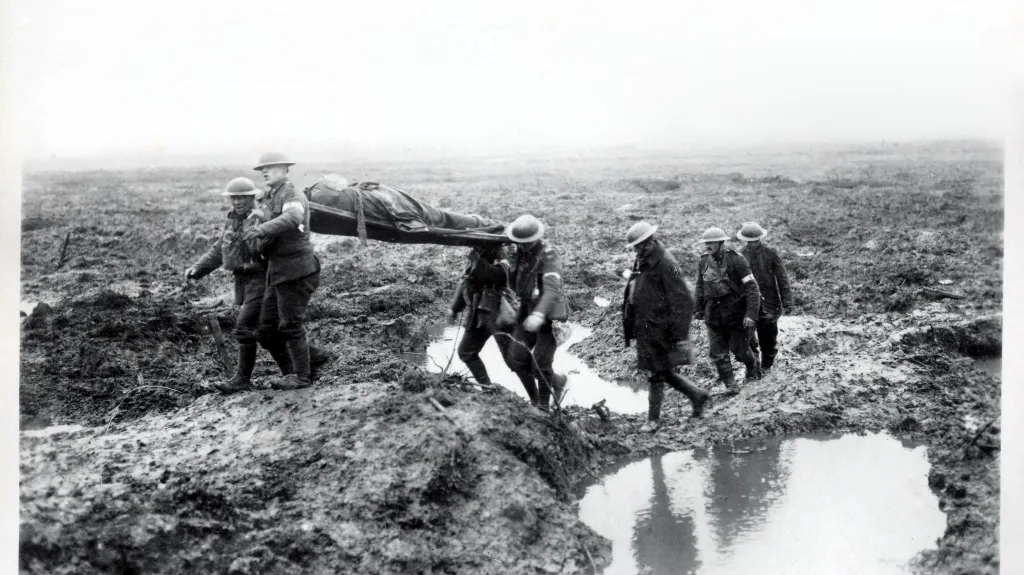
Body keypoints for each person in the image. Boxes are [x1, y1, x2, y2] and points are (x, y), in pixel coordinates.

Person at [186, 177, 331, 393]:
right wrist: (200, 267)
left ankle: (244, 379)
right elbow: (221, 247)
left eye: (242, 198)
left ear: (252, 197)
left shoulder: (261, 217)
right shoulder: (234, 220)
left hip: (265, 280)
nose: (237, 202)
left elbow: (271, 240)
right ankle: (304, 363)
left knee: (246, 328)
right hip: (249, 282)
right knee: (266, 332)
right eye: (233, 198)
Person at [240, 152, 322, 390]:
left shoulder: (290, 193)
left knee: (290, 326)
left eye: (271, 168)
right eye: (262, 169)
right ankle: (302, 366)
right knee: (266, 331)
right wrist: (264, 218)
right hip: (279, 273)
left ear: (285, 170)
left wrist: (262, 228)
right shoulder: (274, 196)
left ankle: (303, 376)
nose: (265, 172)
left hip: (296, 271)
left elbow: (294, 215)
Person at [622, 222, 710, 432]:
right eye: (634, 247)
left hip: (662, 328)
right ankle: (698, 395)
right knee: (661, 371)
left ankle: (653, 420)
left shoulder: (666, 263)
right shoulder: (643, 259)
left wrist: (679, 335)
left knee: (656, 373)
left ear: (649, 243)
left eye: (638, 246)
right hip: (647, 325)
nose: (636, 250)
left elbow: (684, 300)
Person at [474, 214, 568, 409]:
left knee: (540, 365)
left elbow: (552, 289)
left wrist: (539, 314)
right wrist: (509, 260)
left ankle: (543, 407)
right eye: (520, 243)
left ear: (536, 238)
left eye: (526, 243)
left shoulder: (549, 254)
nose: (523, 246)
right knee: (516, 359)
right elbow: (514, 285)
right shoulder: (520, 253)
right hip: (526, 311)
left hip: (549, 316)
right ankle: (551, 387)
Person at [694, 226, 762, 395]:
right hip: (713, 313)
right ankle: (731, 385)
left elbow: (752, 288)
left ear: (721, 243)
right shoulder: (703, 261)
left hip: (736, 313)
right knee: (717, 352)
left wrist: (751, 314)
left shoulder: (736, 260)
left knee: (739, 351)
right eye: (706, 243)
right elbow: (700, 285)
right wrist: (698, 308)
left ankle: (752, 366)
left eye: (712, 242)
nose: (708, 245)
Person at [447, 243, 512, 387]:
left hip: (498, 317)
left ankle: (553, 383)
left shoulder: (502, 262)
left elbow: (493, 276)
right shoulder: (476, 260)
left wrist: (477, 260)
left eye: (480, 248)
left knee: (514, 361)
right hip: (479, 317)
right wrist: (455, 308)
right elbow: (467, 283)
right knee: (466, 352)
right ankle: (487, 387)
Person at [737, 222, 794, 373]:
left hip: (769, 302)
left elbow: (782, 278)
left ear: (760, 239)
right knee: (748, 337)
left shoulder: (771, 253)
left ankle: (767, 364)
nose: (753, 244)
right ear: (745, 241)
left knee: (768, 336)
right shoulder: (740, 255)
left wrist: (787, 302)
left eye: (756, 241)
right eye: (750, 241)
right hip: (748, 303)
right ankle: (753, 367)